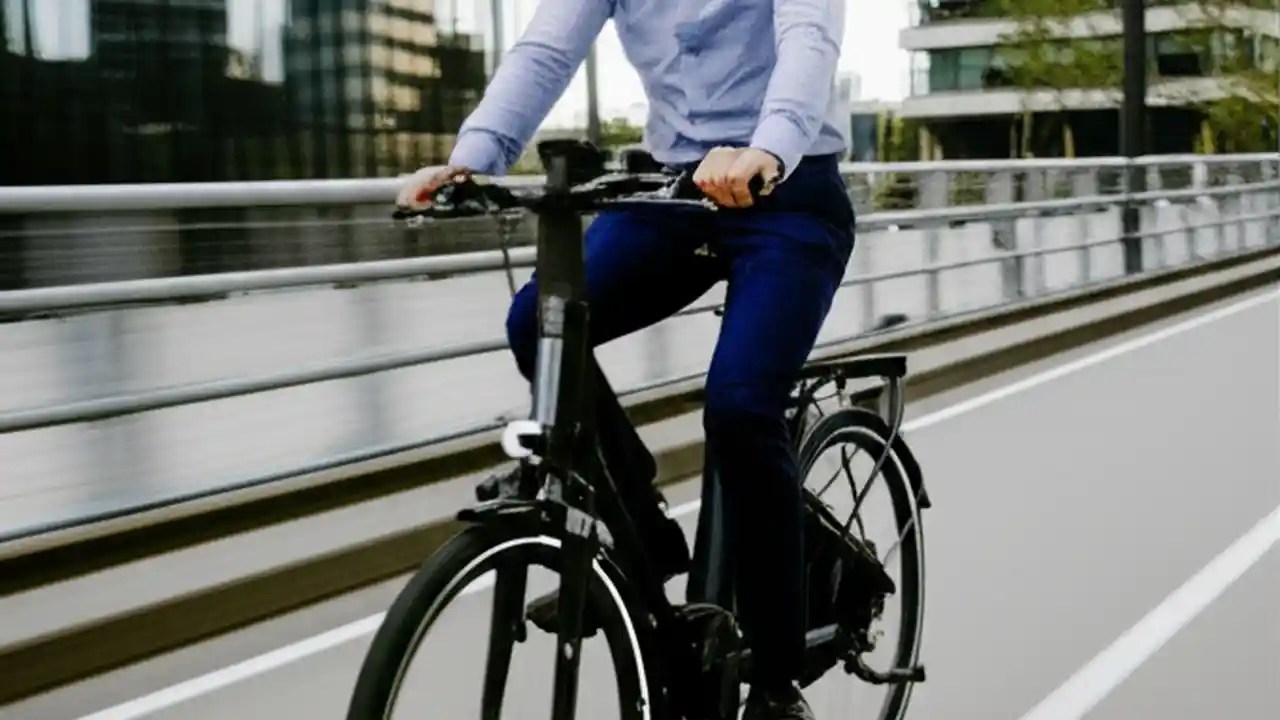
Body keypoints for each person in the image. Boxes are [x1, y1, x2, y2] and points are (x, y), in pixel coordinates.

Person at [397, 2, 852, 718]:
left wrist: (771, 144)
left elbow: (809, 36)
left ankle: (776, 675)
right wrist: (472, 158)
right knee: (537, 326)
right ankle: (639, 535)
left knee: (739, 407)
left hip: (787, 189)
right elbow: (547, 51)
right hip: (672, 194)